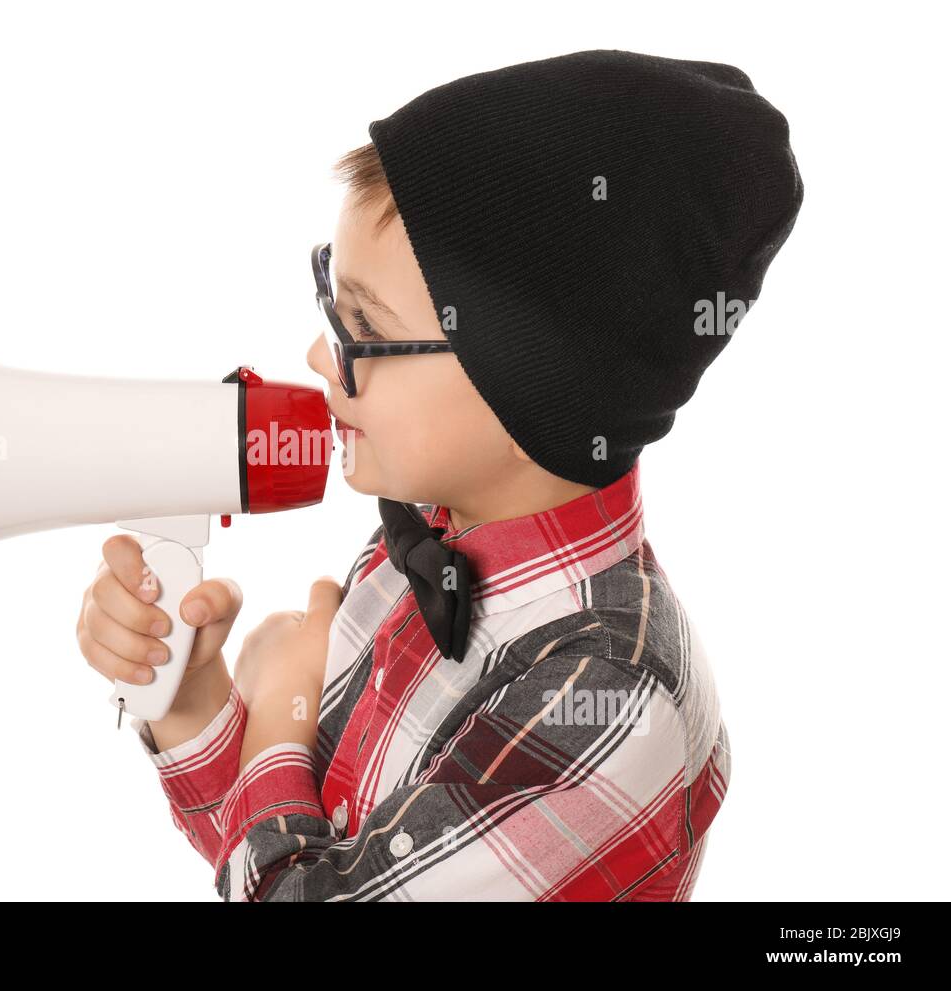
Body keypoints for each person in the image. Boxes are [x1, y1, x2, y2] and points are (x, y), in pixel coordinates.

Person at [76, 49, 802, 901]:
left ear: (528, 381)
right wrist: (194, 705)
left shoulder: (611, 697)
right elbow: (289, 854)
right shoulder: (412, 553)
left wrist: (282, 709)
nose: (321, 355)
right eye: (330, 304)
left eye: (362, 327)